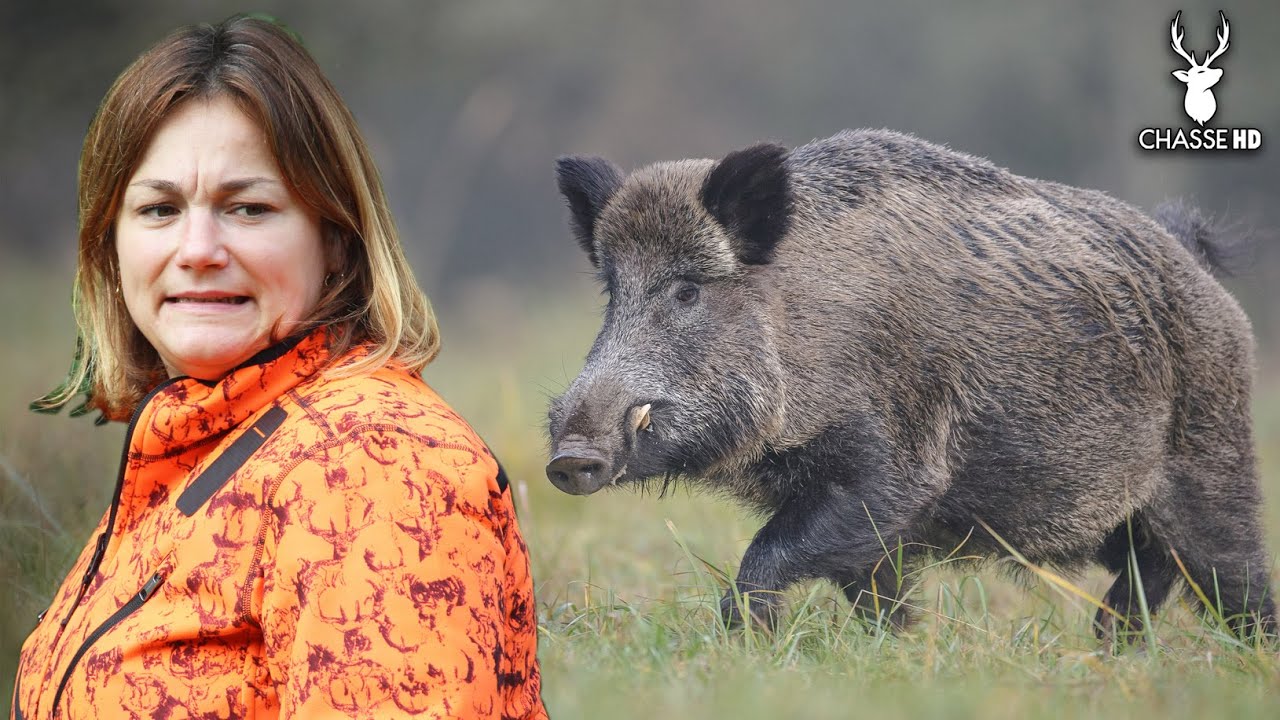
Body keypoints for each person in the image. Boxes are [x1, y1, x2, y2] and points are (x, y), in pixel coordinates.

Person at [12, 15, 547, 720]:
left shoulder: (372, 463)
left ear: (336, 241)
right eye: (159, 208)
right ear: (109, 246)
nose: (198, 248)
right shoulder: (197, 450)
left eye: (249, 207)